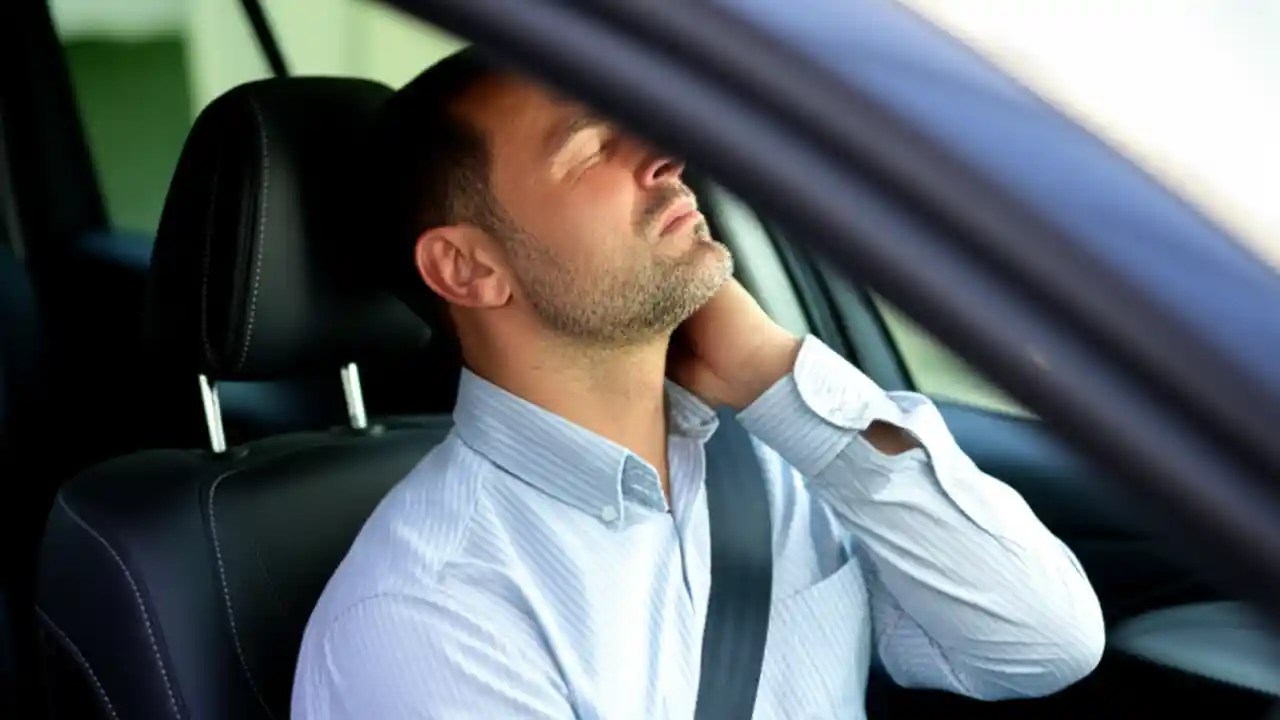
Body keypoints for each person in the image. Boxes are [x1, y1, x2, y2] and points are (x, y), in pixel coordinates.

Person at [292, 48, 1104, 720]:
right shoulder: (427, 621)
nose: (665, 152)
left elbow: (1043, 642)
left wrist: (768, 369)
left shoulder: (780, 461)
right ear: (468, 267)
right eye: (588, 146)